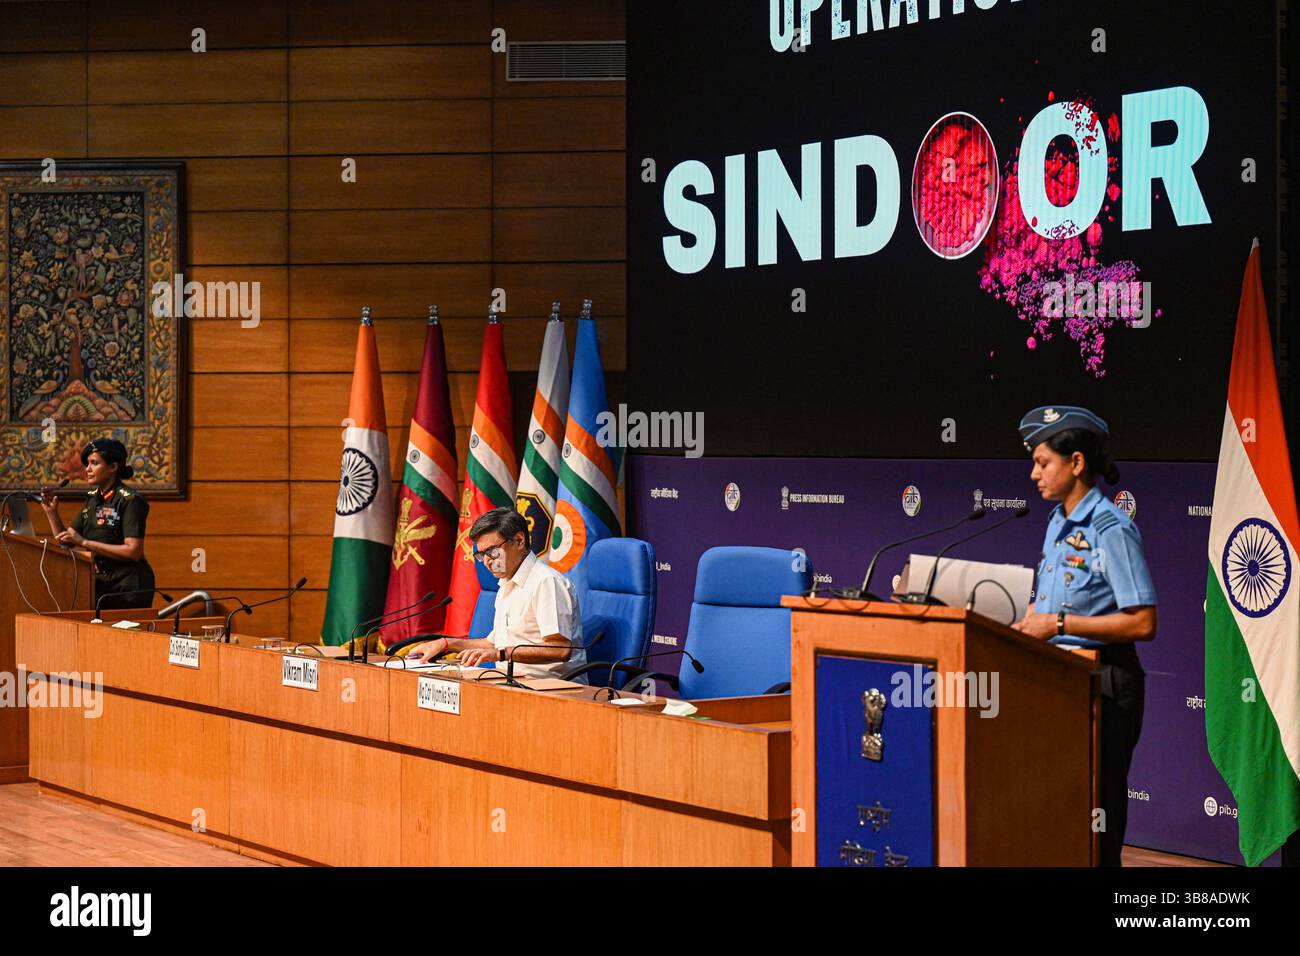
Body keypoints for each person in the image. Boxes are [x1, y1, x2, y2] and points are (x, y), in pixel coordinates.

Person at [1011, 405, 1156, 867]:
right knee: (1060, 815)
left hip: (1107, 685)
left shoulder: (1111, 528)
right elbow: (1049, 604)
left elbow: (1142, 621)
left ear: (1076, 463)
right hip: (1062, 683)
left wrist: (1057, 626)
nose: (1034, 473)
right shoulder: (1057, 521)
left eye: (1042, 462)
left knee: (1098, 820)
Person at [407, 507, 584, 679]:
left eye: (492, 552)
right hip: (511, 683)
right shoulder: (507, 583)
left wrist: (500, 654)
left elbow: (560, 649)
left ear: (519, 540)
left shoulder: (546, 582)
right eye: (481, 555)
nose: (486, 562)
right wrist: (445, 643)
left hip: (552, 689)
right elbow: (494, 643)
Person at [38, 438, 156, 612]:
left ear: (113, 467)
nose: (88, 469)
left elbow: (133, 551)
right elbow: (67, 540)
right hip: (99, 581)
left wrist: (85, 543)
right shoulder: (93, 498)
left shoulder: (129, 500)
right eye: (88, 464)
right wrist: (51, 512)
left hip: (128, 583)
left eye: (94, 463)